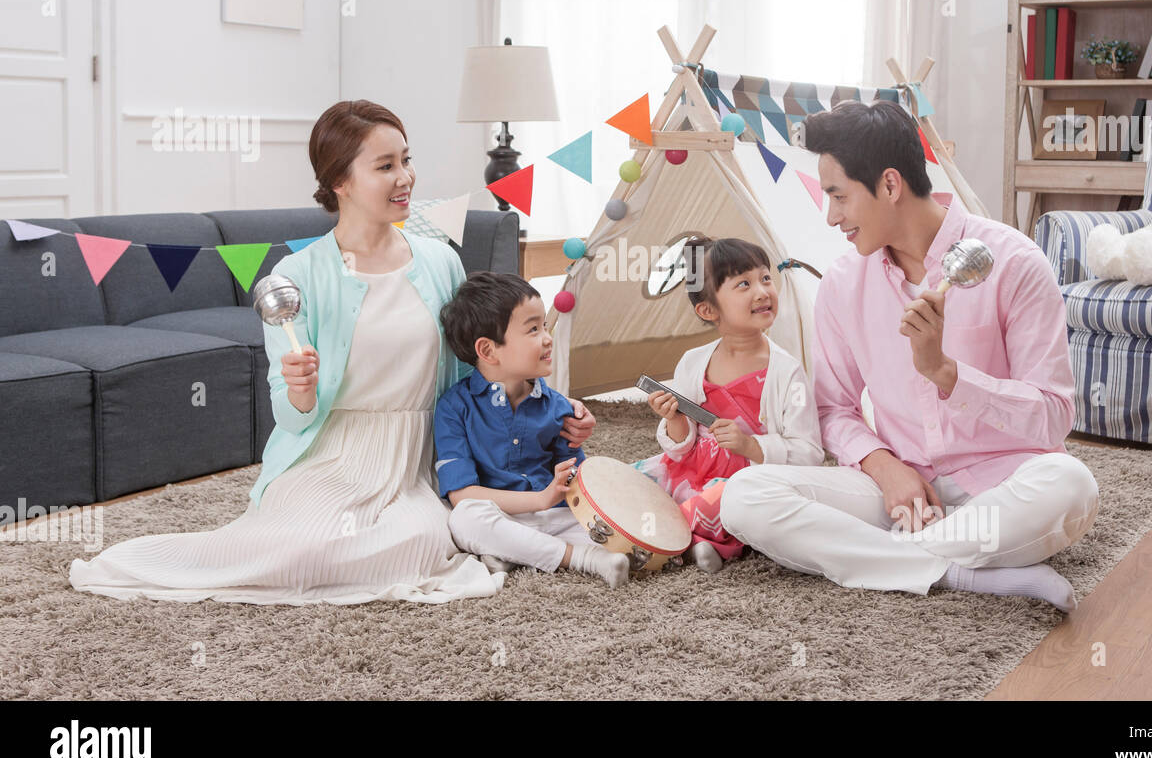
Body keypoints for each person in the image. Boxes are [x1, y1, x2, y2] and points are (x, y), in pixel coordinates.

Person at [68, 99, 594, 604]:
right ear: (340, 181)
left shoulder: (440, 262)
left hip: (416, 458)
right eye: (385, 166)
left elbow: (477, 372)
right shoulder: (297, 277)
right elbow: (292, 418)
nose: (405, 177)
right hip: (332, 450)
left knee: (419, 544)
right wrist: (299, 390)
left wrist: (549, 409)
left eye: (406, 160)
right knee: (306, 547)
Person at [720, 99, 1099, 612]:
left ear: (890, 185)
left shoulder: (1015, 262)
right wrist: (883, 466)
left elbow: (1053, 419)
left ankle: (893, 560)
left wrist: (947, 374)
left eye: (838, 196)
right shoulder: (842, 283)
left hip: (1002, 485)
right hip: (898, 491)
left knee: (1071, 486)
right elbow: (834, 410)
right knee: (746, 495)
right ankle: (962, 573)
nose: (831, 217)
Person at [635, 236, 824, 574]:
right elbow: (681, 448)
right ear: (708, 310)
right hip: (692, 469)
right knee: (632, 484)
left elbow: (809, 452)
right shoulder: (693, 363)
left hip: (747, 478)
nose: (762, 291)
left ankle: (687, 541)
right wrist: (674, 420)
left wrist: (750, 445)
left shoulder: (786, 371)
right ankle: (696, 543)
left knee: (717, 500)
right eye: (743, 284)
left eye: (765, 278)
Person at [436, 272, 632, 589]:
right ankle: (581, 560)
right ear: (488, 351)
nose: (547, 337)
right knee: (464, 519)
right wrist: (540, 499)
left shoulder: (559, 407)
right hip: (502, 517)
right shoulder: (454, 407)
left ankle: (517, 553)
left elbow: (575, 477)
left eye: (544, 325)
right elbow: (462, 495)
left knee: (619, 526)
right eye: (533, 329)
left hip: (558, 518)